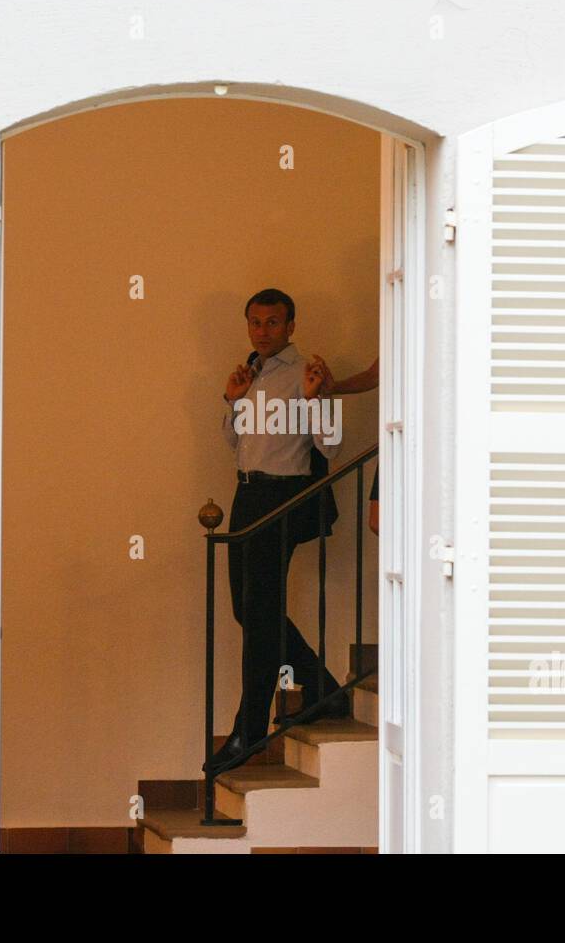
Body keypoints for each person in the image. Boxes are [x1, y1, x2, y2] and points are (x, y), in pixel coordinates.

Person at [204, 289, 350, 774]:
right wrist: (233, 399)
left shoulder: (305, 371)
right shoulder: (251, 372)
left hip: (282, 499)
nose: (263, 330)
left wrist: (316, 398)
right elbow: (234, 441)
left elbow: (330, 444)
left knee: (260, 614)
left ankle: (249, 730)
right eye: (256, 322)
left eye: (273, 322)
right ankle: (324, 689)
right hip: (245, 496)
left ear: (291, 326)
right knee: (247, 611)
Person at [307, 356, 380, 535]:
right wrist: (334, 387)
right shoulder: (398, 331)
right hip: (400, 435)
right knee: (378, 521)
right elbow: (374, 375)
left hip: (434, 434)